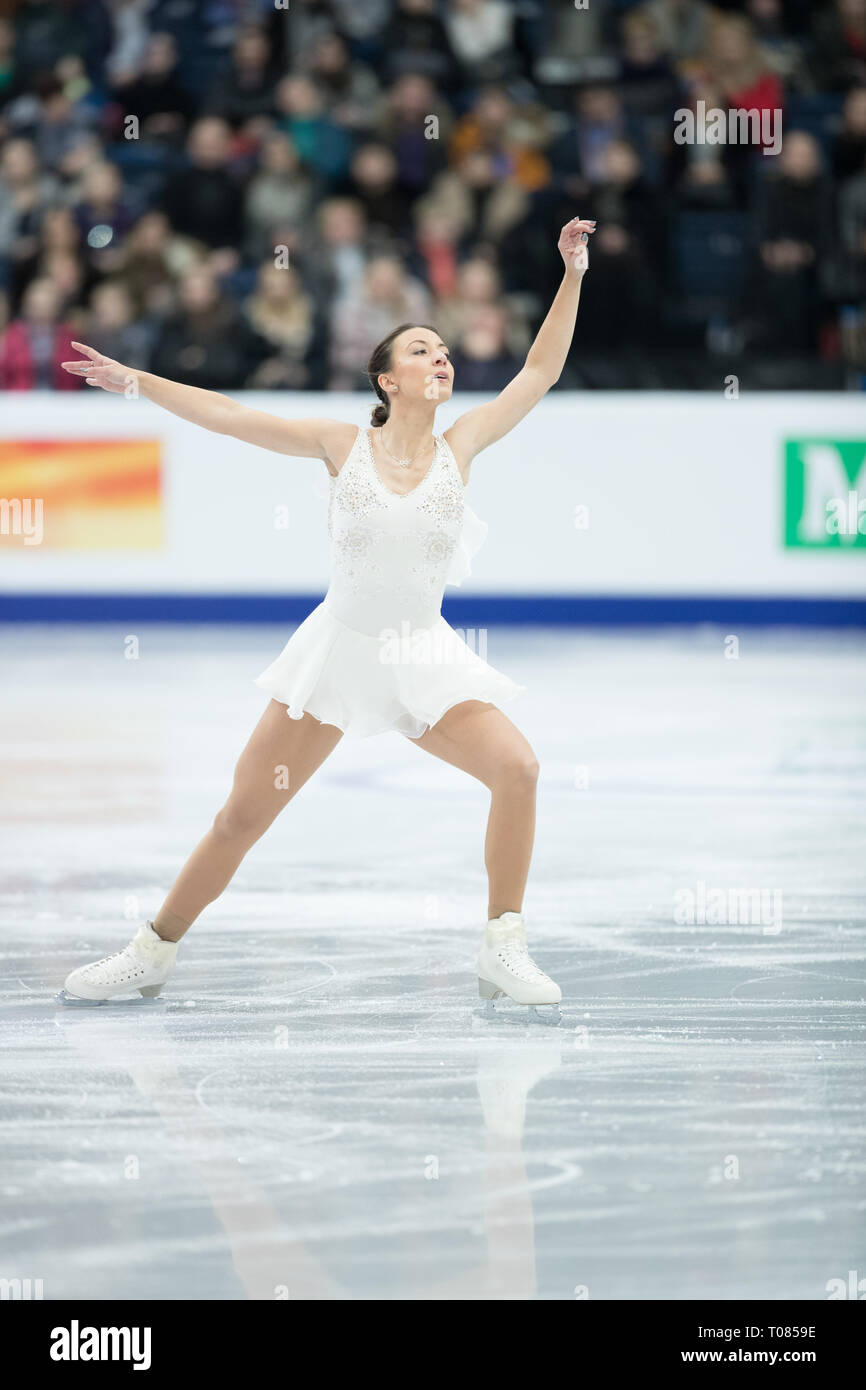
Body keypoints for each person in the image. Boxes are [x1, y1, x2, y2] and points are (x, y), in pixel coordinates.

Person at [56, 215, 596, 1018]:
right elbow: (230, 416)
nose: (438, 356)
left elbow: (540, 370)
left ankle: (502, 945)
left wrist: (573, 273)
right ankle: (150, 952)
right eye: (419, 350)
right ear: (387, 379)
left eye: (441, 348)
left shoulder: (464, 445)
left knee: (517, 769)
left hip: (422, 658)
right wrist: (139, 380)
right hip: (339, 653)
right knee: (242, 816)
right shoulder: (339, 445)